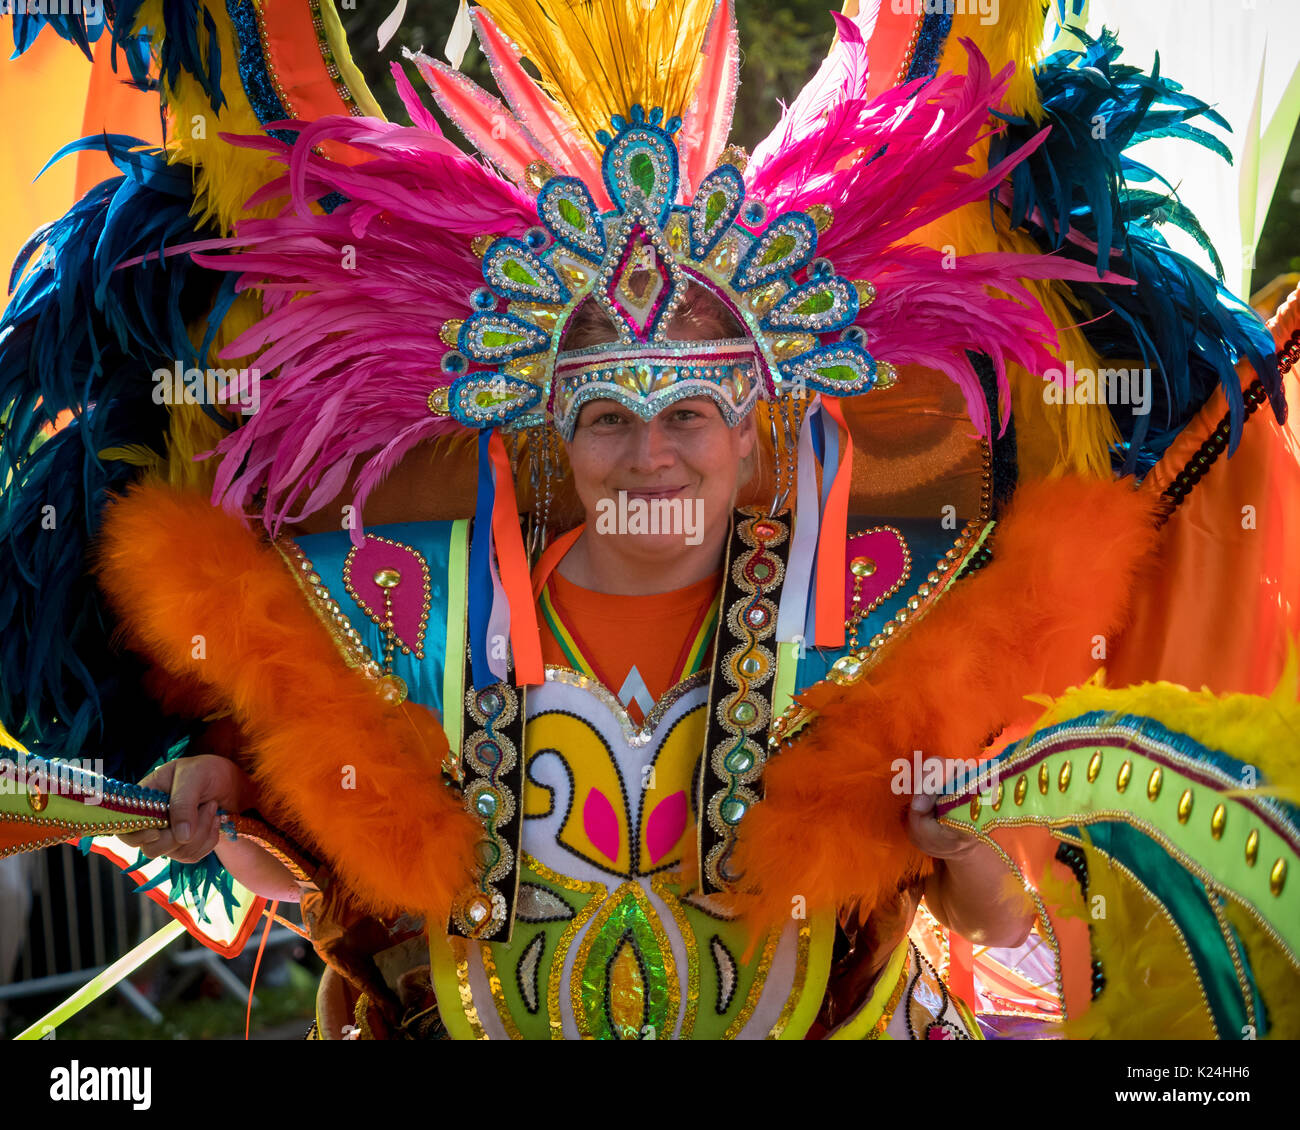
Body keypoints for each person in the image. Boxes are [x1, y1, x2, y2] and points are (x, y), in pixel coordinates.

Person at [4, 0, 1298, 1042]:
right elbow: (319, 887)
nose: (653, 453)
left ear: (754, 435)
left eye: (691, 413)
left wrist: (980, 878)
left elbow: (1024, 971)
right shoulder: (424, 608)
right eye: (611, 413)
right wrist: (209, 804)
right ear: (555, 434)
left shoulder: (873, 619)